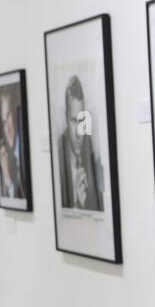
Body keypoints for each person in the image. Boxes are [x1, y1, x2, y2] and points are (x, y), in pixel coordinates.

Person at [57, 76, 104, 211]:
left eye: (81, 120)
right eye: (73, 121)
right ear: (66, 118)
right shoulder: (58, 154)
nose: (79, 132)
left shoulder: (92, 151)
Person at [0, 89, 25, 199]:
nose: (7, 129)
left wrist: (8, 181)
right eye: (4, 122)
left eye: (8, 116)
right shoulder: (7, 156)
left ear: (16, 112)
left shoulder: (23, 151)